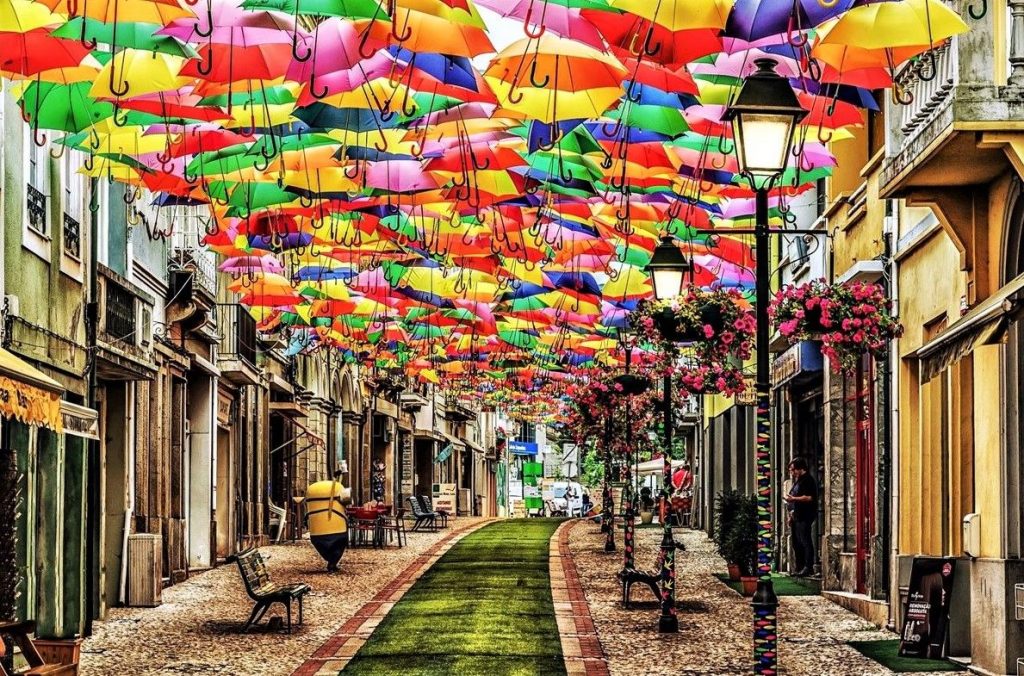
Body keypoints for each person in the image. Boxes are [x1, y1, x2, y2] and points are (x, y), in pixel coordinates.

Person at [305, 472, 351, 572]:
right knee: (338, 544)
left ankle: (332, 562)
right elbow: (347, 500)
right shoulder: (338, 488)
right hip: (338, 529)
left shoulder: (314, 491)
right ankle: (332, 563)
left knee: (329, 545)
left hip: (317, 531)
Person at [783, 458, 818, 577]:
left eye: (793, 470)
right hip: (796, 515)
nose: (791, 472)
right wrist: (791, 515)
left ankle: (808, 567)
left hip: (805, 515)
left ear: (801, 468)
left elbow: (809, 498)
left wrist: (793, 499)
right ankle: (799, 567)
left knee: (805, 540)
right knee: (796, 542)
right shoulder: (797, 481)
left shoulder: (808, 480)